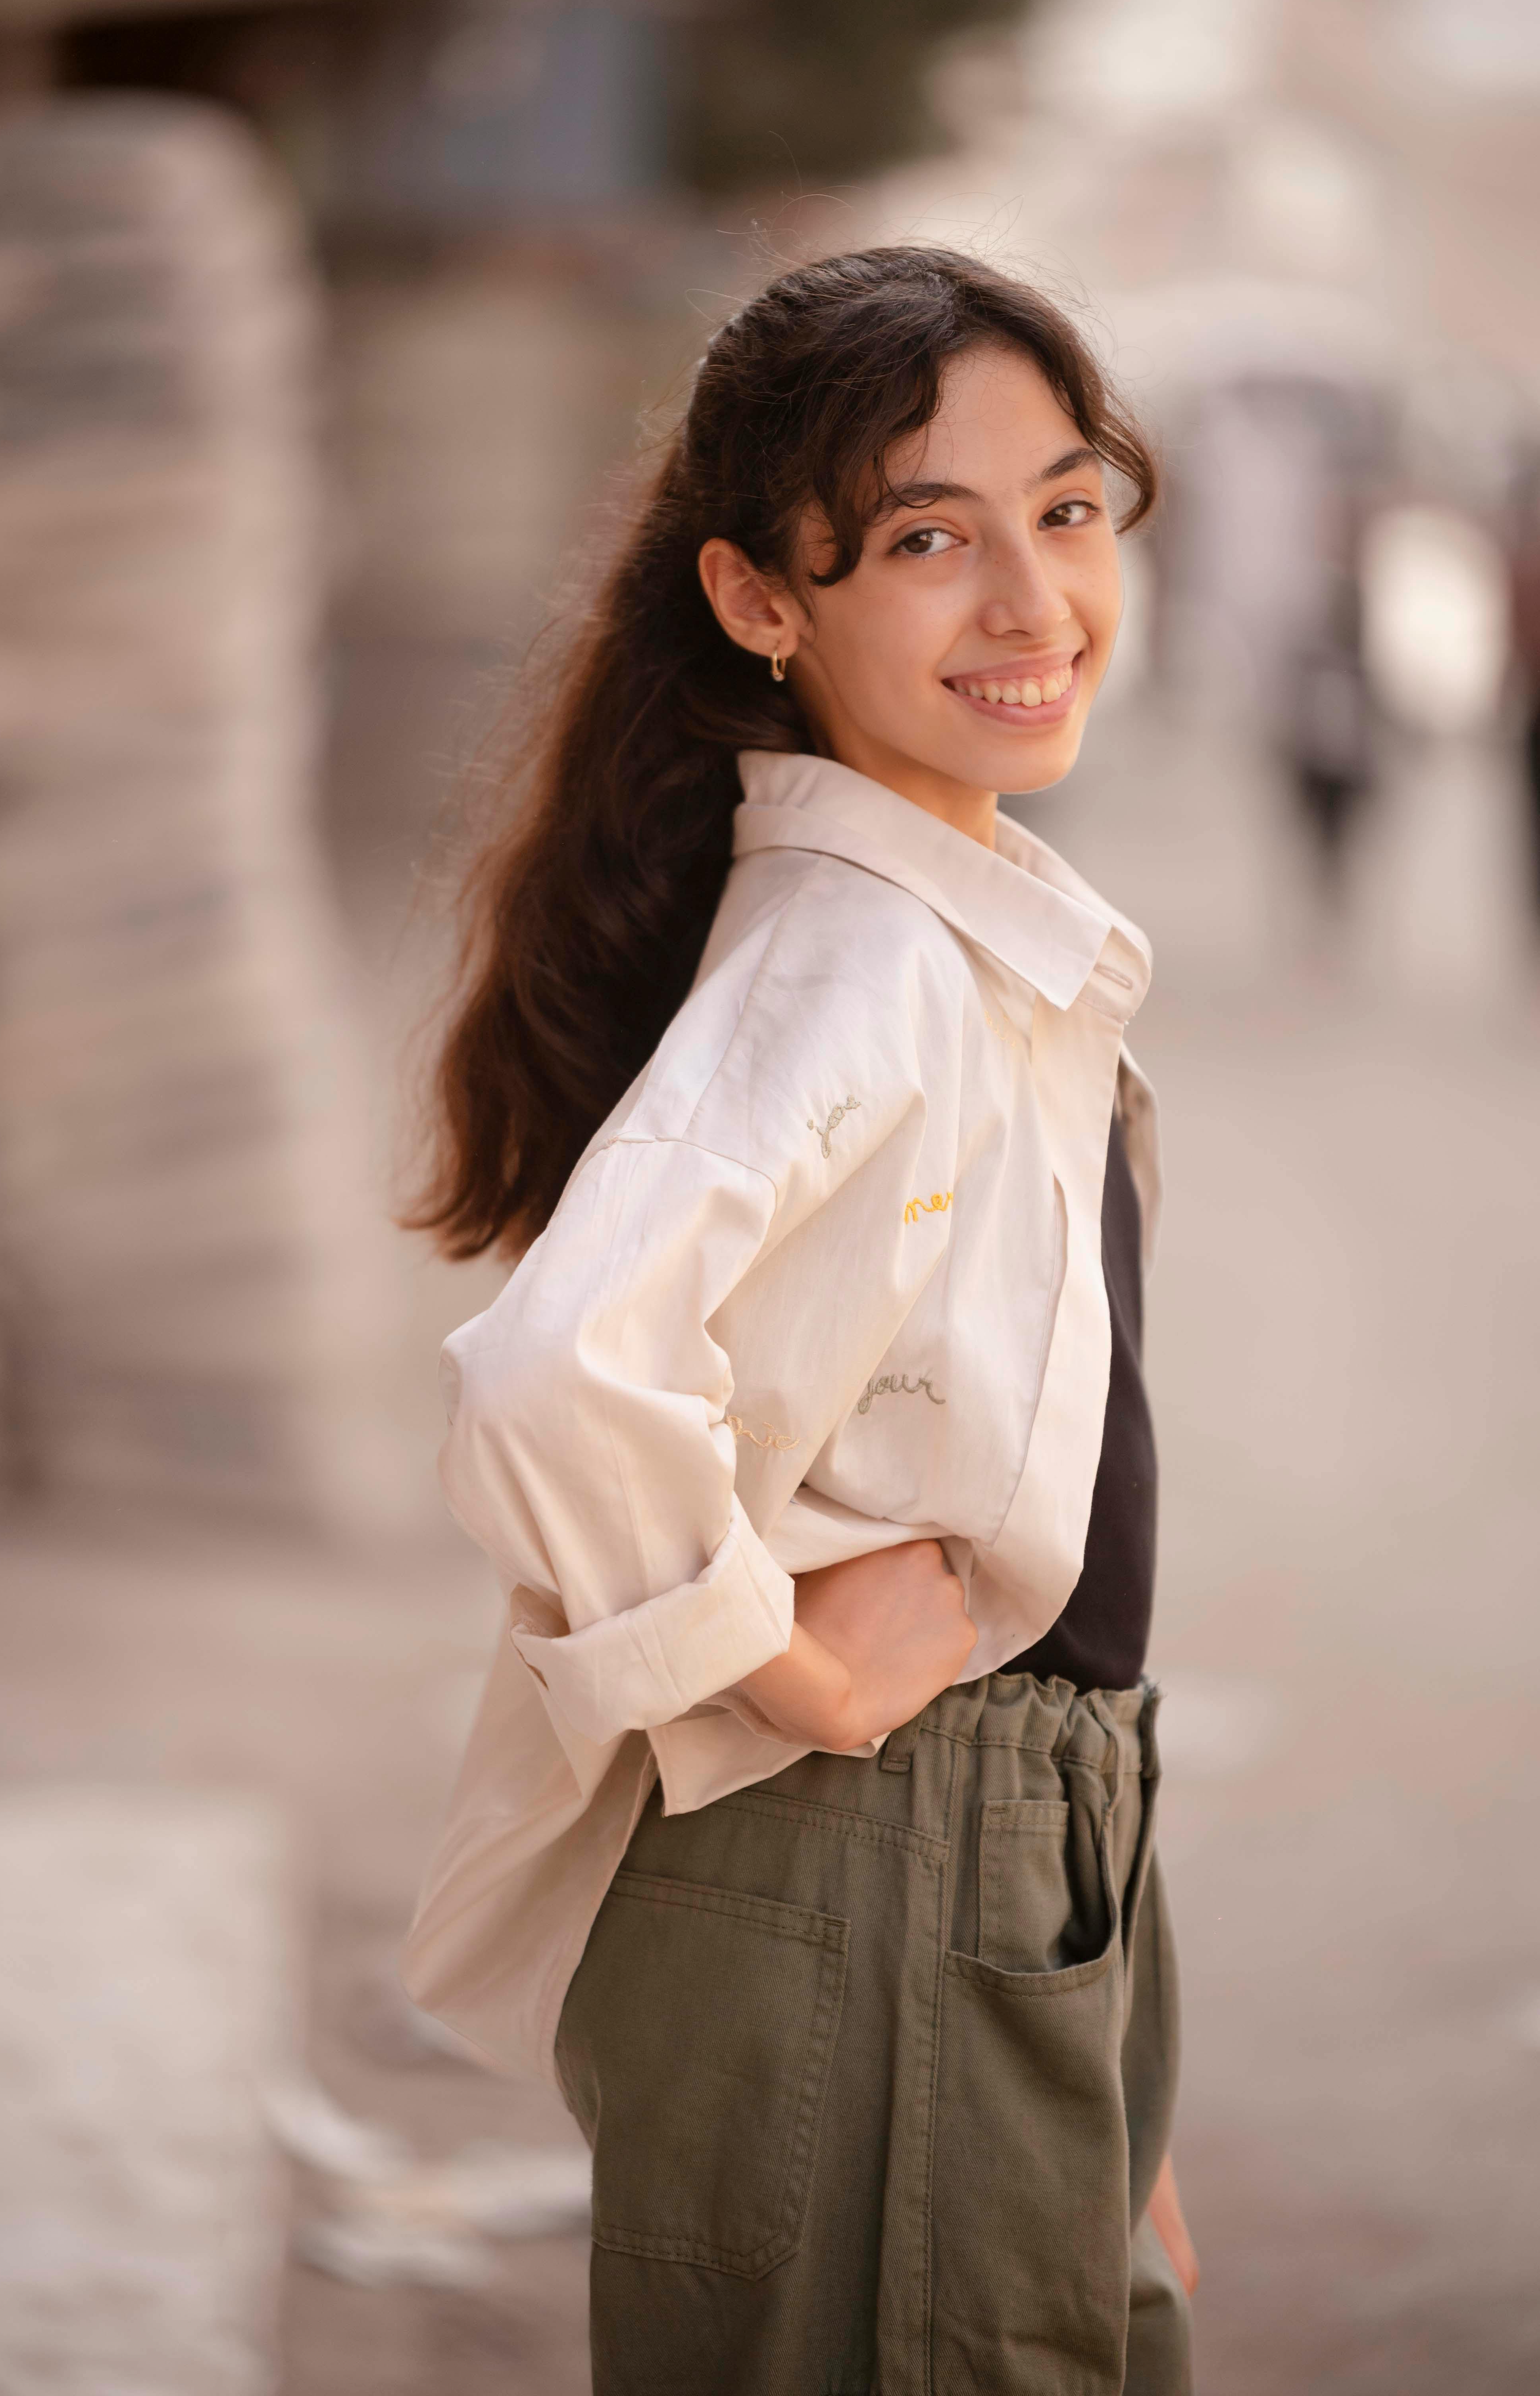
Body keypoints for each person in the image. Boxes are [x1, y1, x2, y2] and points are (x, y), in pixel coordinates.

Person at [404, 245, 1198, 2394]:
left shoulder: (957, 925)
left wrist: (1091, 2002)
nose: (1033, 609)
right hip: (885, 1860)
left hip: (996, 1868)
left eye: (1063, 508)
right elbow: (558, 1374)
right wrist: (768, 1663)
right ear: (763, 601)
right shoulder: (856, 955)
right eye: (928, 539)